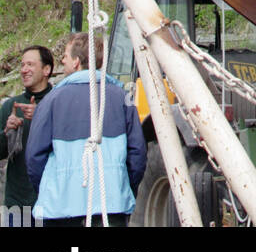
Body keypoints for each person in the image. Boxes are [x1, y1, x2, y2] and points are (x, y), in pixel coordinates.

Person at [25, 32, 147, 227]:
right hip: (111, 206)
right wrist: (121, 187)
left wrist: (52, 189)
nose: (62, 60)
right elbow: (138, 154)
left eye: (65, 55)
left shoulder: (51, 101)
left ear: (76, 62)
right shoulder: (122, 97)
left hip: (61, 209)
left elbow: (34, 157)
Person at [0, 45, 54, 223]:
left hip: (51, 202)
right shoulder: (11, 106)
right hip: (17, 204)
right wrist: (7, 132)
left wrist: (41, 117)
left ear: (46, 69)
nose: (24, 70)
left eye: (30, 64)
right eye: (22, 65)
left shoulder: (57, 101)